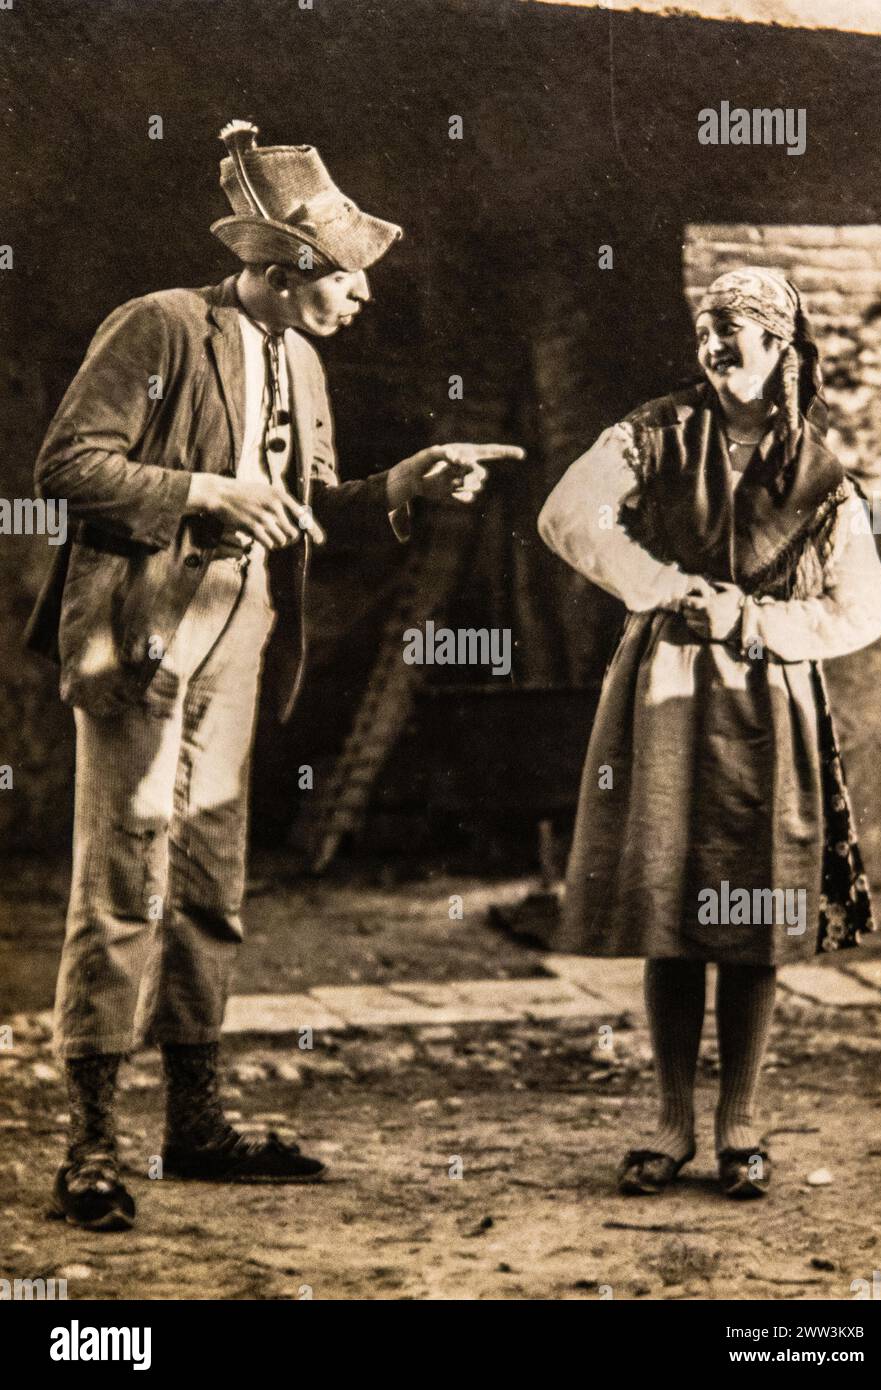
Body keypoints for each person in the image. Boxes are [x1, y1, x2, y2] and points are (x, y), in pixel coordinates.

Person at [26, 119, 524, 1231]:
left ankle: (193, 1125)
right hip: (138, 641)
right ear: (286, 268)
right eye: (347, 279)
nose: (362, 299)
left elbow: (311, 514)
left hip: (241, 641)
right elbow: (67, 467)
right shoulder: (160, 326)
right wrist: (206, 492)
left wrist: (401, 479)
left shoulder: (301, 360)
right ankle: (94, 1145)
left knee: (210, 882)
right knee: (122, 882)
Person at [538, 266, 881, 1199]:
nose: (714, 343)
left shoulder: (819, 474)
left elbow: (862, 611)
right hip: (665, 682)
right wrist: (663, 588)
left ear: (780, 347)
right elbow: (566, 515)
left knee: (756, 907)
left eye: (733, 328)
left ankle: (739, 1126)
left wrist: (757, 623)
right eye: (704, 328)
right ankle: (669, 1123)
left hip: (769, 698)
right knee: (671, 902)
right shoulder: (654, 433)